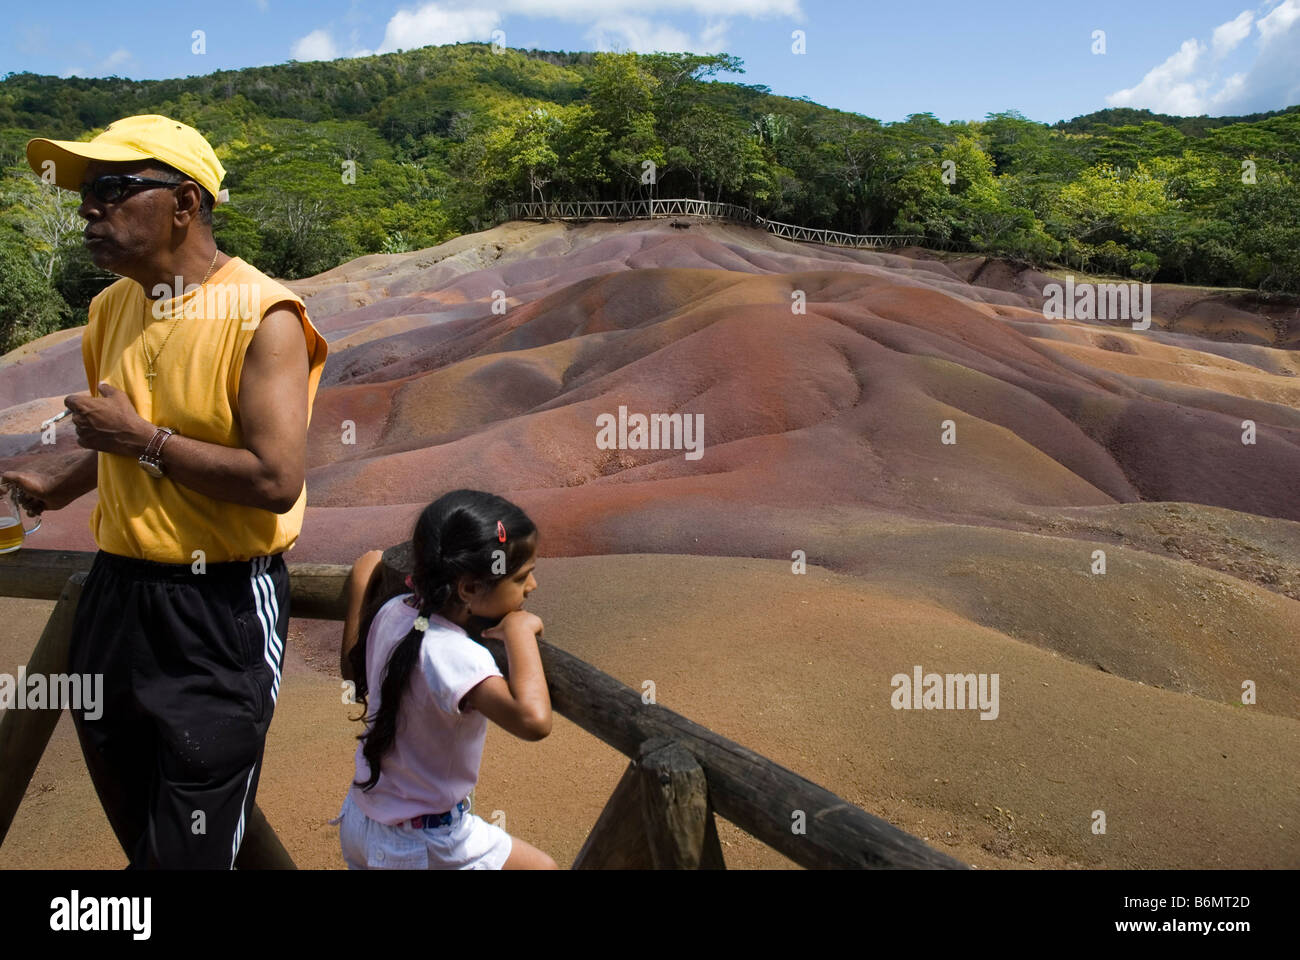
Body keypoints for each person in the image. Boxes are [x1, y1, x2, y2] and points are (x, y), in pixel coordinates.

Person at [0, 115, 329, 868]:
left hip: (217, 614)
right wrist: (60, 477)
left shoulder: (264, 316)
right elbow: (139, 429)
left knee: (184, 851)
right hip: (115, 598)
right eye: (86, 192)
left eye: (111, 189)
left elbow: (276, 481)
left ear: (183, 203)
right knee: (148, 824)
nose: (88, 207)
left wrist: (136, 440)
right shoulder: (110, 308)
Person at [334, 489, 559, 869]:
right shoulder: (456, 656)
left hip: (362, 820)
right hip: (425, 843)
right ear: (468, 588)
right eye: (522, 577)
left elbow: (351, 671)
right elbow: (533, 721)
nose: (532, 588)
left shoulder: (394, 611)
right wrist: (519, 630)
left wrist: (360, 582)